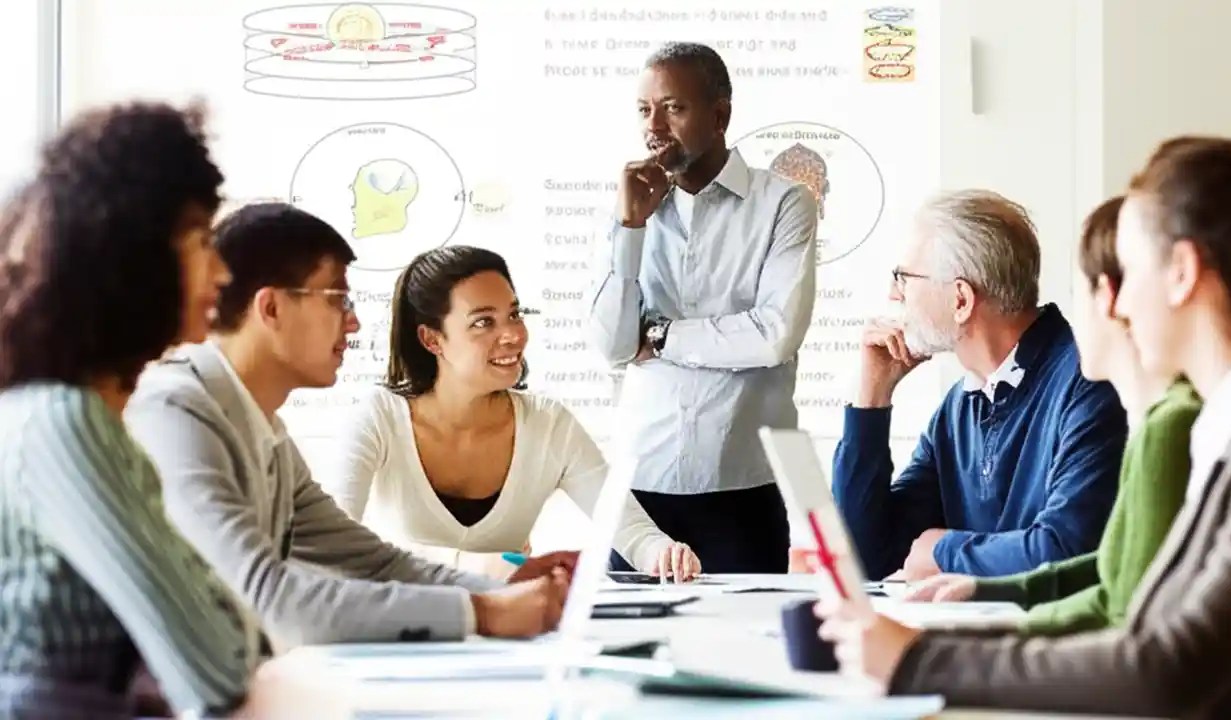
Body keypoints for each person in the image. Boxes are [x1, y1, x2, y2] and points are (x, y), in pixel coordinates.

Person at [816, 103, 1231, 718]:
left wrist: (921, 658)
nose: (1112, 302)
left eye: (1126, 271)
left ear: (1181, 273)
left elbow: (1164, 664)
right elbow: (1123, 598)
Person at [125, 203, 573, 652]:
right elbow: (266, 598)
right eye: (338, 300)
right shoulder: (175, 411)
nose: (354, 322)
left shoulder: (264, 427)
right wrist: (484, 613)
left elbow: (373, 564)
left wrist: (508, 589)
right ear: (272, 307)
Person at [0, 102, 258, 718]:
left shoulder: (71, 415)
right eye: (201, 242)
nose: (222, 272)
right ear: (131, 256)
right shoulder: (64, 423)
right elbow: (218, 669)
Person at [902, 197, 1201, 636]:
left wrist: (940, 650)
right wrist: (869, 403)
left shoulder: (1164, 423)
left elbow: (1131, 621)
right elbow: (1107, 580)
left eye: (1082, 289)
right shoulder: (958, 405)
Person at [320, 247, 702, 581]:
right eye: (483, 322)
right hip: (404, 629)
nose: (513, 335)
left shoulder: (549, 423)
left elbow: (631, 531)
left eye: (514, 314)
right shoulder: (379, 416)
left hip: (508, 628)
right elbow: (331, 543)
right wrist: (474, 566)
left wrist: (664, 555)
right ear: (431, 339)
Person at [585, 41, 818, 573]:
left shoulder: (783, 203)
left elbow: (774, 335)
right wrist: (629, 229)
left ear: (720, 115)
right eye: (645, 110)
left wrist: (664, 337)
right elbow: (613, 344)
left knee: (741, 648)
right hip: (639, 490)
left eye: (674, 107)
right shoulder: (628, 209)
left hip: (741, 489)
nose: (655, 127)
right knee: (628, 649)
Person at [835, 189, 1127, 581]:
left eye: (903, 278)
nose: (893, 294)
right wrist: (871, 399)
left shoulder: (1090, 384)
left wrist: (943, 551)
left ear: (961, 300)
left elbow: (1066, 551)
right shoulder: (959, 407)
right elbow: (866, 558)